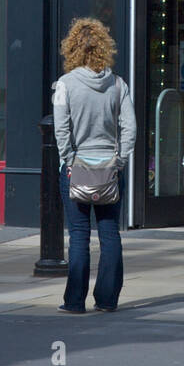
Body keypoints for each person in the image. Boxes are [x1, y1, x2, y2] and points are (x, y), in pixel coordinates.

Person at [53, 17, 136, 312]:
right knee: (110, 232)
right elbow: (130, 128)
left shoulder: (65, 84)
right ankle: (108, 299)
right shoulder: (117, 84)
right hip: (110, 168)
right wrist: (120, 161)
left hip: (77, 167)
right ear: (104, 47)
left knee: (78, 234)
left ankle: (74, 302)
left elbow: (61, 128)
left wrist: (68, 160)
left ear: (71, 48)